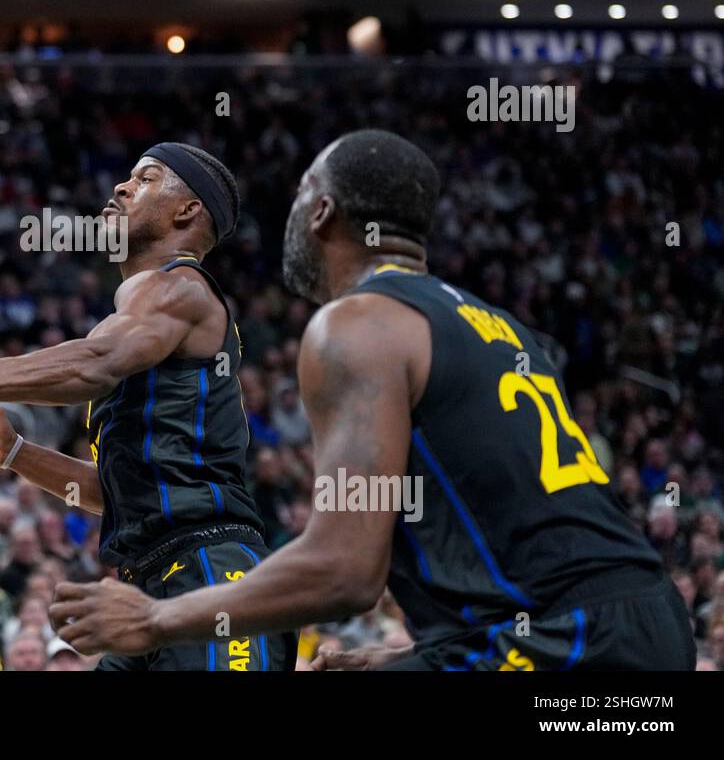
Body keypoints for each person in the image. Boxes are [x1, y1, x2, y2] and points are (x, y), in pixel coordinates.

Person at [47, 130, 696, 671]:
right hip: (644, 622)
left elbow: (345, 572)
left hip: (571, 639)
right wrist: (404, 657)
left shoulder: (357, 324)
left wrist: (158, 617)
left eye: (301, 196)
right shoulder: (499, 326)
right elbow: (512, 535)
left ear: (321, 212)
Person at [0, 144, 289, 670]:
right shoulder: (144, 316)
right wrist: (15, 452)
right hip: (147, 586)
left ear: (187, 211)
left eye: (147, 179)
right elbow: (118, 493)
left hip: (212, 569)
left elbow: (97, 362)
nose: (121, 187)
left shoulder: (181, 287)